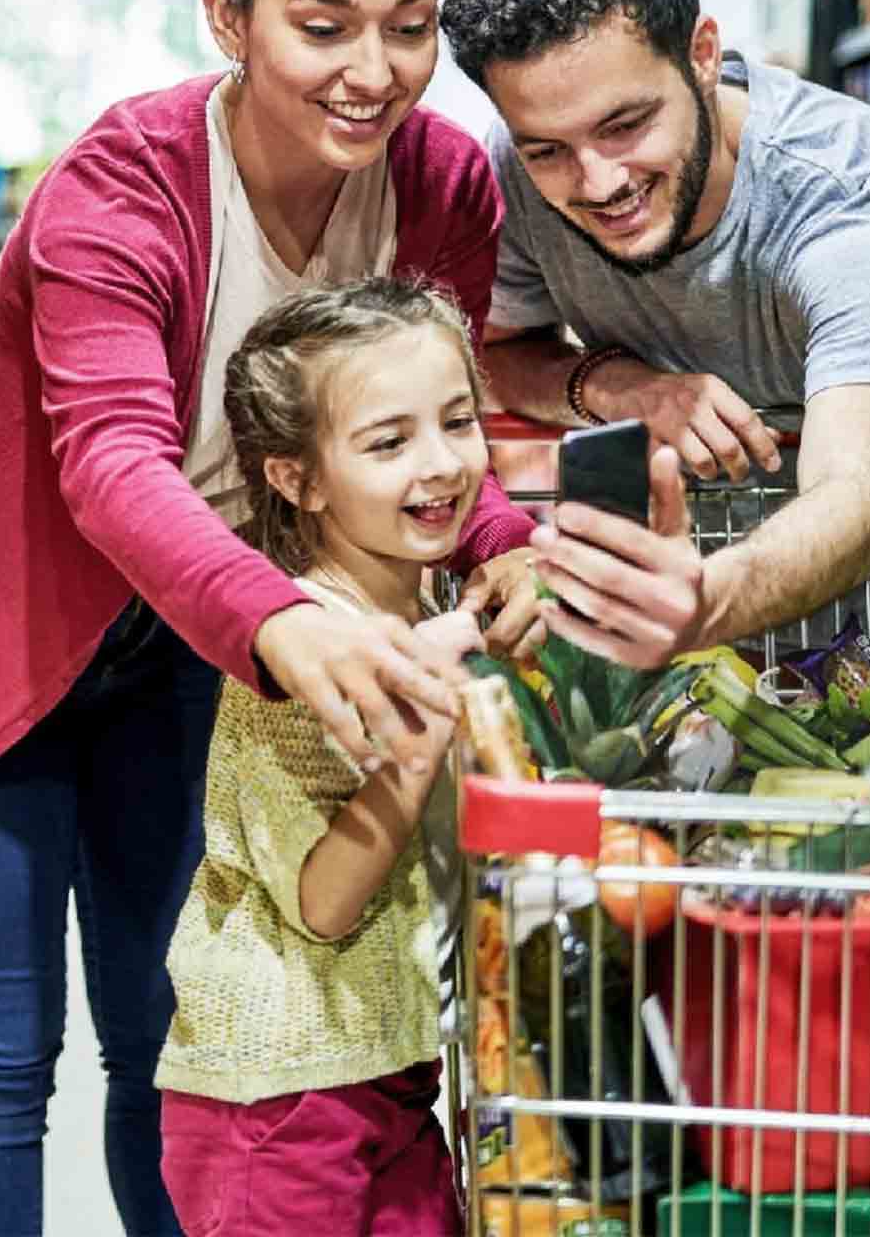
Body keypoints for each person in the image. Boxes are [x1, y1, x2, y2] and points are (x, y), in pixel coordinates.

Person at [0, 0, 578, 1236]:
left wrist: (504, 540)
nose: (374, 67)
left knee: (169, 1041)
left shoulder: (441, 186)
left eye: (411, 27)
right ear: (227, 19)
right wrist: (288, 628)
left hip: (195, 638)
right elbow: (108, 463)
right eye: (323, 25)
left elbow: (429, 425)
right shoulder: (124, 185)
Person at [153, 277, 701, 1237]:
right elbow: (322, 905)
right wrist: (414, 754)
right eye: (387, 442)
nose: (442, 464)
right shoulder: (306, 649)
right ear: (298, 478)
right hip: (276, 1096)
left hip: (396, 1069)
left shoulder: (430, 611)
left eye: (457, 421)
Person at [439, 0, 870, 661]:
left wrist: (704, 602)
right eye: (547, 148)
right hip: (702, 609)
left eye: (625, 126)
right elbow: (499, 353)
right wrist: (622, 386)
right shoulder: (519, 175)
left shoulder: (856, 205)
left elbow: (852, 495)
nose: (596, 181)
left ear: (702, 55)